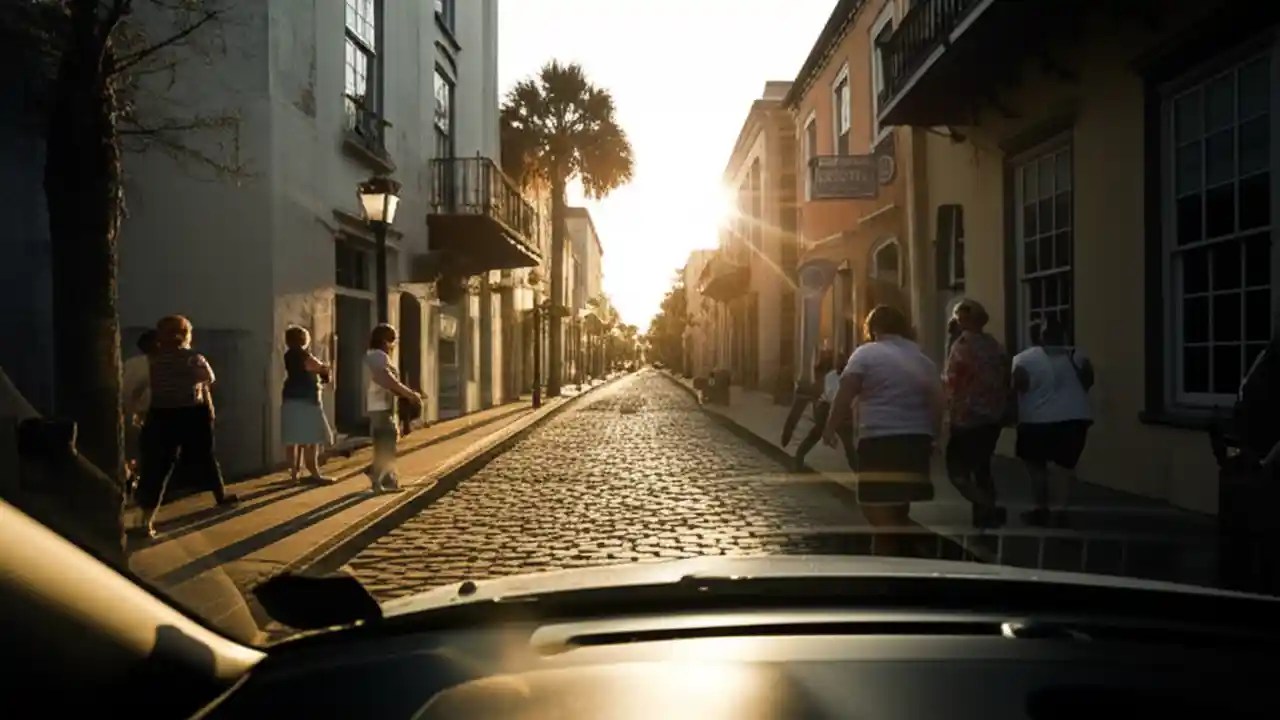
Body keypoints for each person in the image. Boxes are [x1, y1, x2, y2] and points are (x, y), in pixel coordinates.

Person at [825, 305, 943, 556]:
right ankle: (899, 561)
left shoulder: (866, 354)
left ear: (873, 328)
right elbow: (937, 401)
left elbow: (845, 392)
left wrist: (830, 427)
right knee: (899, 506)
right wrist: (934, 436)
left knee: (875, 509)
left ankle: (898, 557)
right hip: (915, 440)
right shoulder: (922, 359)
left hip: (879, 440)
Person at [135, 315, 238, 538]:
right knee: (206, 455)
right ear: (186, 334)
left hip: (160, 413)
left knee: (157, 466)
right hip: (192, 412)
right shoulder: (193, 358)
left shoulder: (152, 359)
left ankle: (145, 521)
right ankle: (220, 494)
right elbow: (209, 378)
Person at [1011, 316, 1094, 527]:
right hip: (1074, 418)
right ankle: (1060, 512)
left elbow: (1018, 386)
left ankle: (1040, 510)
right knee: (1064, 468)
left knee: (1036, 467)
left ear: (1039, 336)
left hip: (1036, 420)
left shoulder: (1023, 359)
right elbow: (1088, 382)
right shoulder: (1078, 355)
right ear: (1064, 334)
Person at [943, 299, 1010, 529]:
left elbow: (952, 382)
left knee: (957, 472)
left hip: (967, 417)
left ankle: (988, 506)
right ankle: (983, 516)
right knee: (982, 467)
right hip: (992, 416)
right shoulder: (993, 344)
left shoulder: (961, 346)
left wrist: (947, 414)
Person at [365, 324, 423, 493]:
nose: (394, 344)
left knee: (385, 442)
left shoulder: (376, 355)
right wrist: (409, 394)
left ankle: (383, 481)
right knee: (388, 442)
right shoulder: (378, 356)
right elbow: (386, 379)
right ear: (385, 340)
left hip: (383, 405)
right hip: (379, 405)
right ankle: (375, 474)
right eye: (393, 340)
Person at [281, 326, 335, 484]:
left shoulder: (288, 355)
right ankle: (314, 473)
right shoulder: (303, 355)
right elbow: (318, 367)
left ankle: (293, 474)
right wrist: (326, 369)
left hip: (290, 397)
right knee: (311, 439)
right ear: (303, 339)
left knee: (293, 438)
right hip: (306, 400)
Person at [122, 329, 158, 493]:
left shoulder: (130, 363)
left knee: (131, 453)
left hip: (126, 414)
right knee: (148, 453)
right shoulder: (154, 365)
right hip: (144, 415)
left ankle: (130, 480)